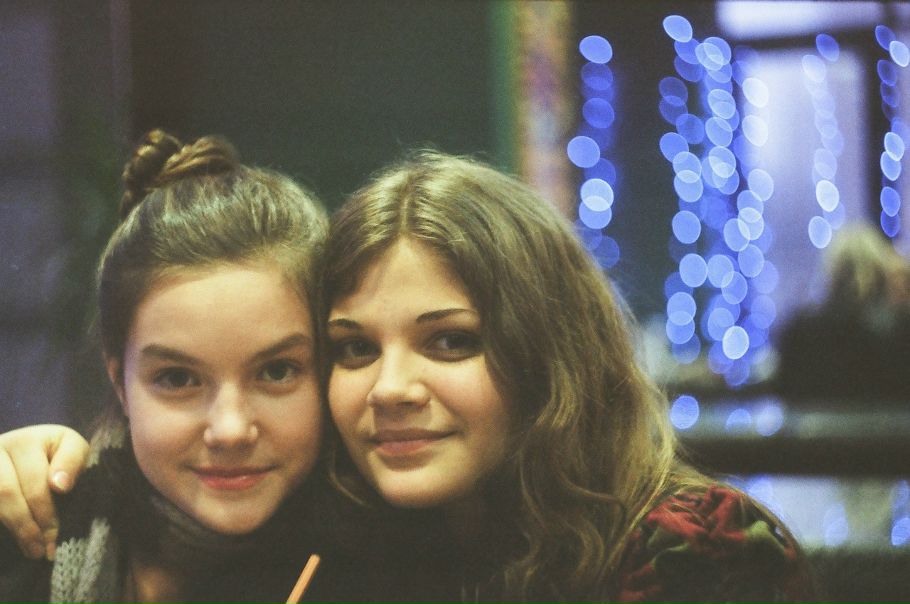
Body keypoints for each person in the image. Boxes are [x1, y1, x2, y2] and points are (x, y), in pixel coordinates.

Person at [3, 151, 817, 603]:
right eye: (355, 349)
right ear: (118, 380)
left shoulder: (691, 547)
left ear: (544, 351)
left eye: (451, 342)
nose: (390, 387)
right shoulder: (375, 536)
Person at [0, 129, 331, 602]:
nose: (231, 431)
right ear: (120, 383)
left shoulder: (388, 569)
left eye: (276, 371)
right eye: (178, 379)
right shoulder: (29, 534)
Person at [775, 223, 910, 402]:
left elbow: (785, 389)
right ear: (880, 271)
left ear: (833, 272)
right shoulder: (895, 332)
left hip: (814, 420)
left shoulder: (799, 329)